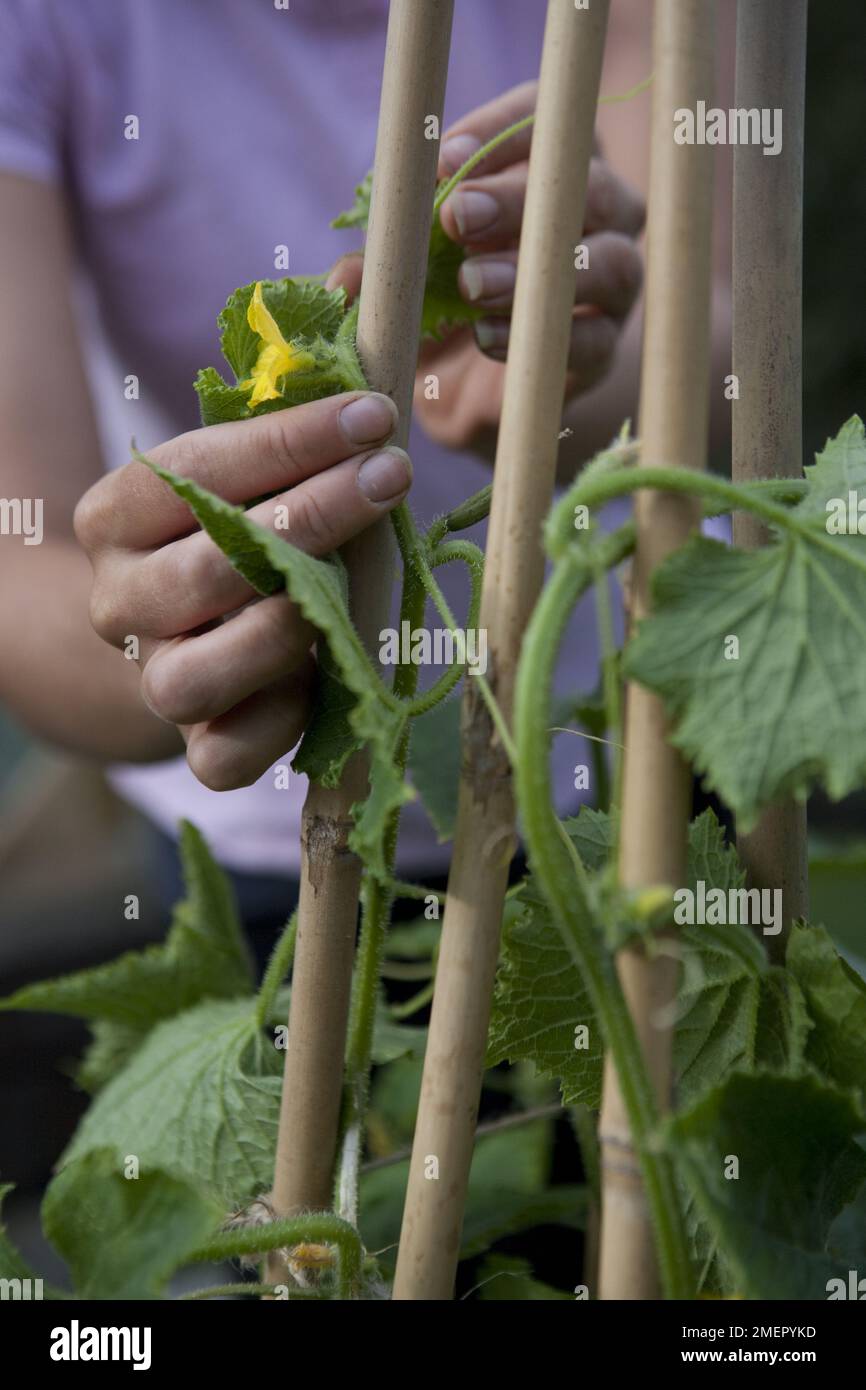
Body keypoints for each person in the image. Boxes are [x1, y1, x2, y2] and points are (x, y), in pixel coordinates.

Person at [0, 1, 731, 937]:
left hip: (651, 727)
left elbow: (730, 350)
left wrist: (562, 372)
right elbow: (21, 557)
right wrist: (182, 652)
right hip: (275, 835)